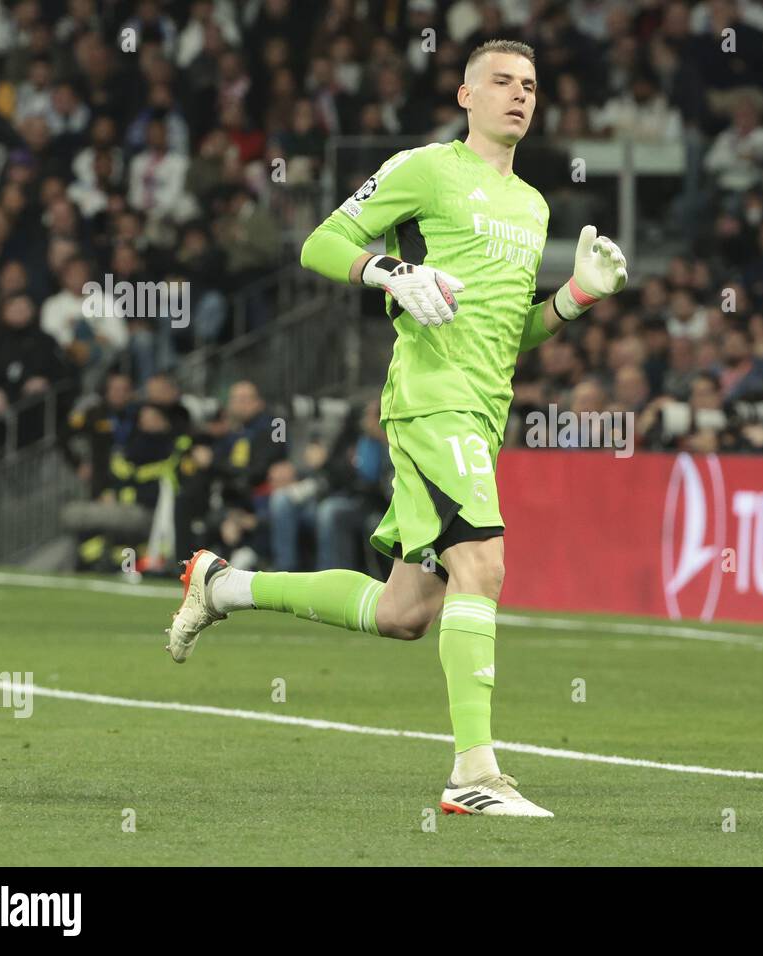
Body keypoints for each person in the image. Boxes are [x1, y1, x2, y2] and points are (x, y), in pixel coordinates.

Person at [163, 40, 628, 817]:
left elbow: (511, 332)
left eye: (532, 86)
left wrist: (577, 296)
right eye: (503, 82)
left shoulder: (534, 205)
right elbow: (321, 243)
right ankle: (474, 775)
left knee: (406, 611)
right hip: (429, 399)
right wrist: (386, 271)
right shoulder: (425, 169)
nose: (520, 95)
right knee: (482, 563)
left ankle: (221, 584)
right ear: (465, 96)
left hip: (481, 416)